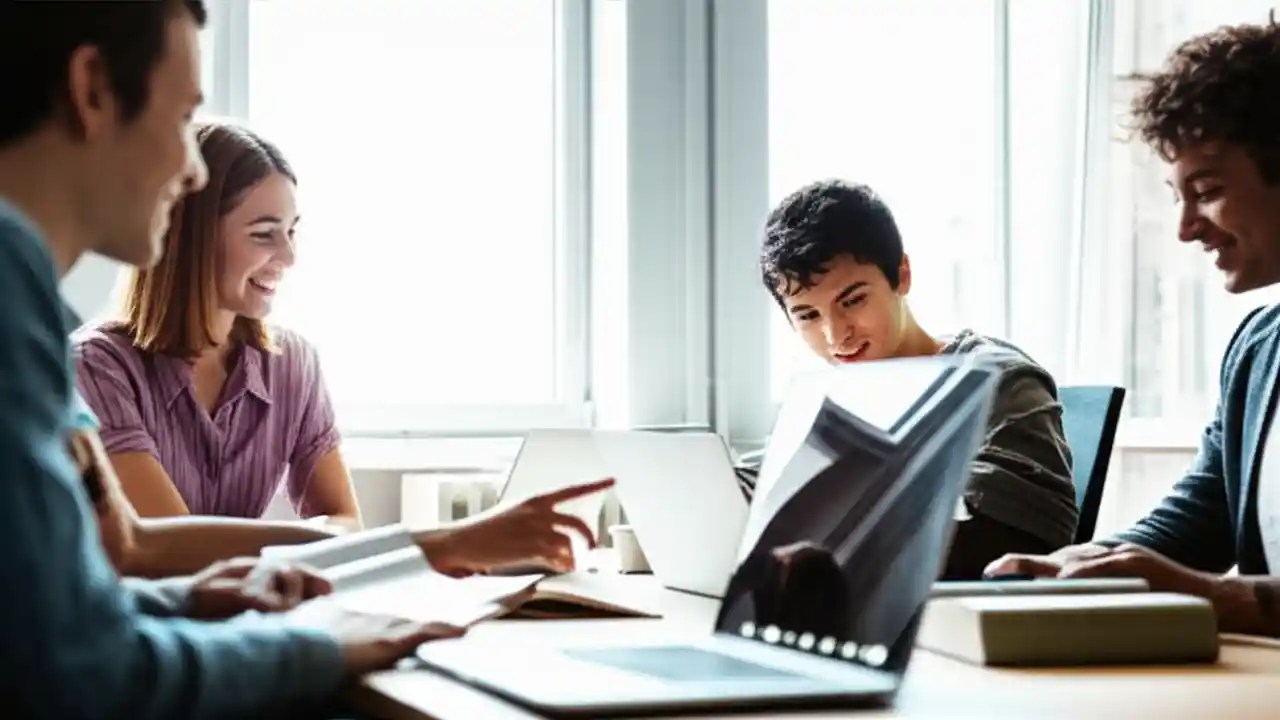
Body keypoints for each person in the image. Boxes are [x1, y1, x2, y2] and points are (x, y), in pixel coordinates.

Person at [0, 2, 468, 716]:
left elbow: (56, 611)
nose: (190, 172)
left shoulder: (24, 289)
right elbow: (79, 668)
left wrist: (191, 595)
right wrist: (322, 645)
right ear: (93, 87)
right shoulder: (28, 308)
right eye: (185, 118)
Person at [70, 121, 608, 579]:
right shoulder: (97, 367)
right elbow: (169, 550)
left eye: (291, 231)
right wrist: (321, 538)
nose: (289, 256)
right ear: (189, 241)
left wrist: (326, 538)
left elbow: (347, 524)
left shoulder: (293, 365)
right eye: (263, 234)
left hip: (253, 615)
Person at [987, 18, 1280, 637]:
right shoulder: (1258, 350)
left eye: (1207, 189)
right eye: (1179, 195)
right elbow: (1202, 518)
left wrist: (1215, 597)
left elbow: (1196, 578)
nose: (1186, 227)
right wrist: (1080, 564)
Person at [752, 179, 1077, 579]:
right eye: (807, 316)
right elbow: (758, 481)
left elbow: (1011, 533)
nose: (836, 335)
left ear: (902, 275)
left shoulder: (997, 380)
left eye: (853, 300)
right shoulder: (832, 400)